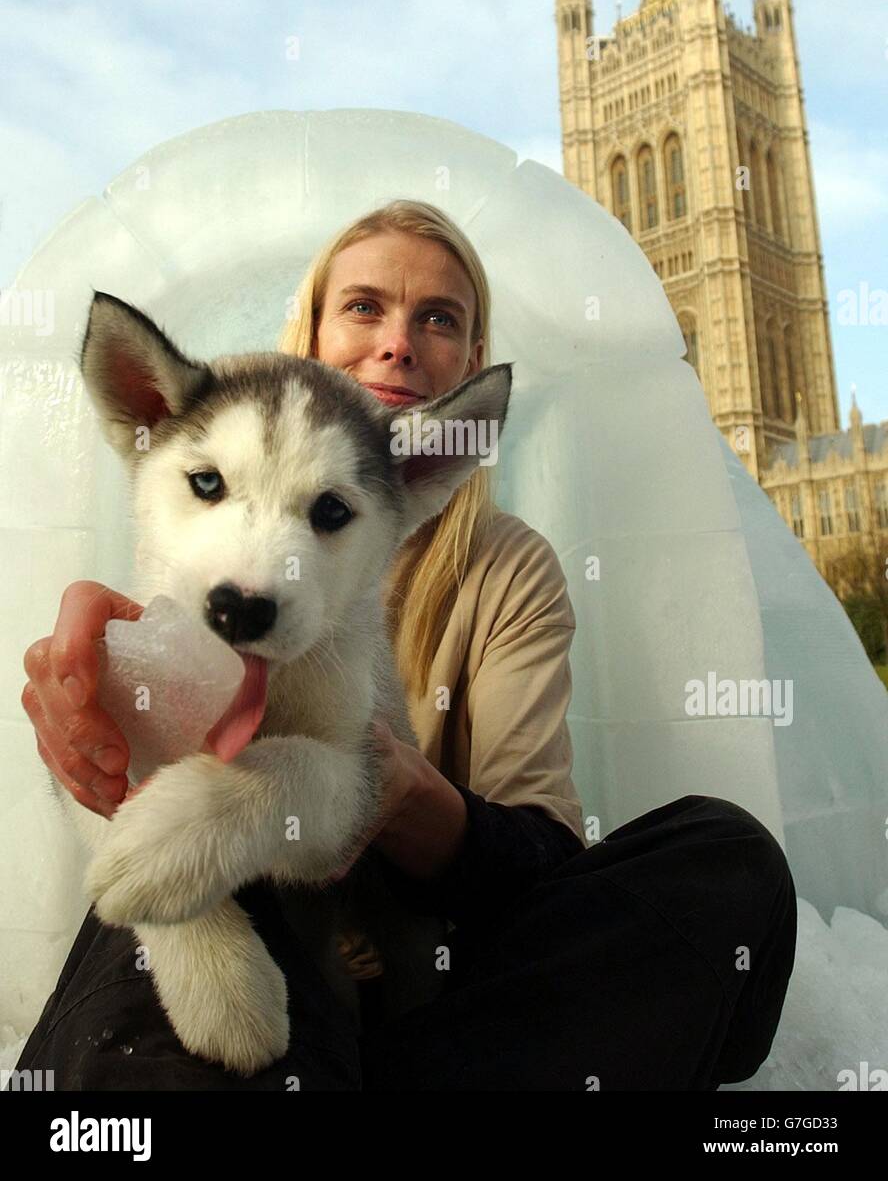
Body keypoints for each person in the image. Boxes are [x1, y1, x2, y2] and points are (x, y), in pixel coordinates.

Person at [15, 199, 797, 1091]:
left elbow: (540, 856)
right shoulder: (194, 494)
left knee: (729, 860)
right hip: (278, 980)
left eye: (438, 318)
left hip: (442, 974)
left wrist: (373, 786)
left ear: (467, 368)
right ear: (308, 331)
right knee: (185, 869)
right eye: (363, 307)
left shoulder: (508, 567)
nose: (397, 342)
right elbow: (128, 814)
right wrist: (94, 721)